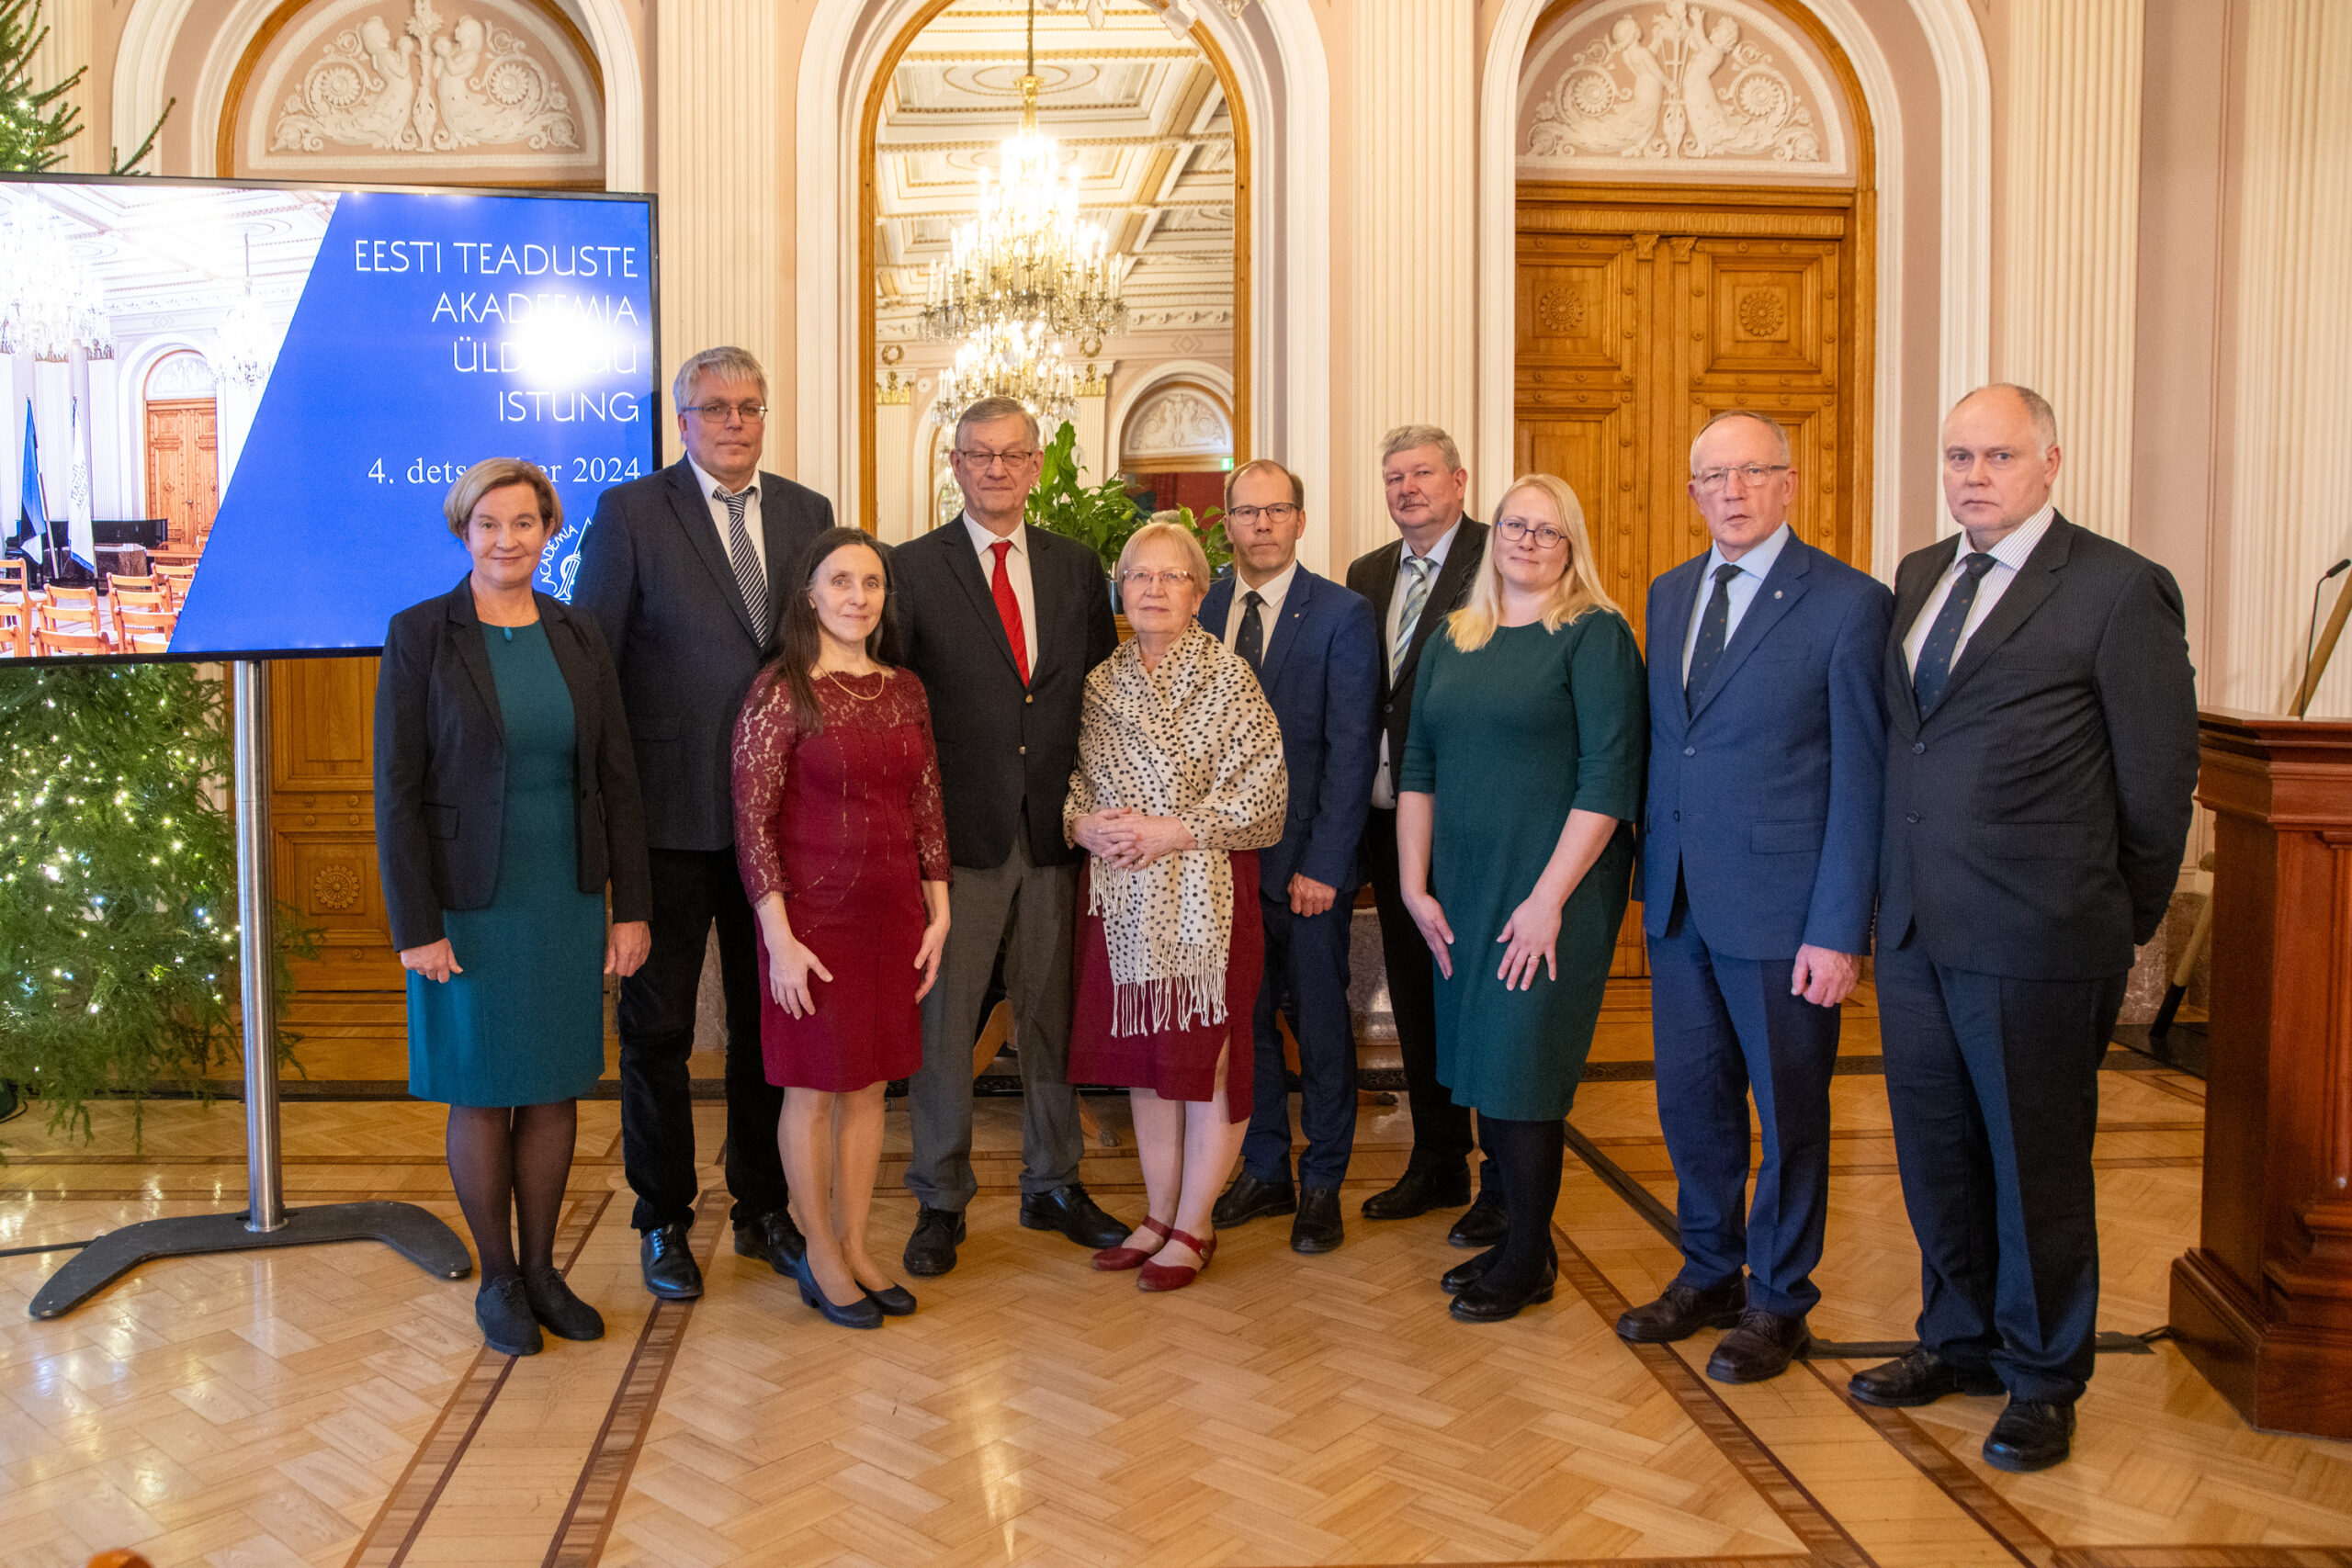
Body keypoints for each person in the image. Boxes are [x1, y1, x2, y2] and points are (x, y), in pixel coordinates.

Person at [1854, 384, 2198, 1471]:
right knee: (1937, 1155)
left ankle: (2044, 1374)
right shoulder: (1918, 576)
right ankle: (1954, 1339)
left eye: (1997, 456)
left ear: (2052, 463)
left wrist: (2119, 916)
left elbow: (2157, 781)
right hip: (1913, 926)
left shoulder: (2114, 588)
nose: (1971, 475)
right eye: (1957, 455)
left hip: (2041, 935)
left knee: (2034, 1164)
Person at [1623, 411, 1893, 1382]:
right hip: (1682, 902)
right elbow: (1672, 745)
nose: (1730, 491)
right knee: (1692, 1105)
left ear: (1787, 482)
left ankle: (1780, 1299)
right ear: (1692, 491)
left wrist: (1838, 927)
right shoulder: (1667, 594)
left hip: (1788, 912)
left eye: (1750, 472)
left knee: (1788, 1116)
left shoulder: (1849, 603)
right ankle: (1708, 1271)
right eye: (1711, 476)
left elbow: (1863, 777)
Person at [572, 346, 834, 1302]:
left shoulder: (808, 515)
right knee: (658, 1034)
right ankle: (663, 1220)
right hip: (668, 821)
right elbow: (594, 668)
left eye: (750, 407)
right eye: (715, 408)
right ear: (681, 421)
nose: (734, 423)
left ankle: (763, 1209)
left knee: (774, 1029)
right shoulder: (633, 514)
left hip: (785, 826)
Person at [376, 458, 653, 1356]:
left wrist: (629, 907)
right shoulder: (420, 633)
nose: (508, 540)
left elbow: (617, 778)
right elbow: (397, 792)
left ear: (549, 532)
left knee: (551, 1086)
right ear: (465, 531)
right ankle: (496, 1277)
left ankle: (543, 1270)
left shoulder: (578, 634)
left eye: (525, 523)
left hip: (564, 896)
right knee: (481, 1090)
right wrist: (416, 925)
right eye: (490, 524)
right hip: (465, 908)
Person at [1396, 473, 1645, 1323]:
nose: (1528, 541)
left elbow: (1609, 781)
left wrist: (1548, 901)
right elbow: (1418, 766)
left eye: (1548, 530)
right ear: (1492, 532)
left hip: (1554, 891)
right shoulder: (1454, 636)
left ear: (1572, 545)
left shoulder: (1595, 635)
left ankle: (1531, 1257)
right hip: (1463, 885)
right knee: (1478, 1066)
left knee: (1521, 1070)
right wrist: (1411, 884)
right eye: (1514, 525)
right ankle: (1511, 1236)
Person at [892, 396, 1128, 1275]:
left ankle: (1054, 1183)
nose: (996, 468)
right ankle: (940, 1197)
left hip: (1058, 831)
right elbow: (901, 708)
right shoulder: (909, 570)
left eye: (1013, 454)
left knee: (1051, 1018)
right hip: (957, 843)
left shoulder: (1075, 566)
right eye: (979, 455)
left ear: (1036, 466)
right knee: (945, 1028)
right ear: (954, 465)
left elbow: (1099, 695)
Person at [732, 528, 952, 1330]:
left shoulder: (905, 689)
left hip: (893, 916)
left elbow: (927, 803)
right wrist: (779, 938)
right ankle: (819, 1251)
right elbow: (752, 825)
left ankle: (859, 1247)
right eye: (840, 581)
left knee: (869, 1088)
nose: (858, 596)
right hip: (810, 923)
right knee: (813, 1090)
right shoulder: (780, 690)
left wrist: (941, 908)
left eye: (871, 581)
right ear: (809, 595)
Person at [1068, 521, 1289, 1291]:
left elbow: (1265, 799)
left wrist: (1174, 831)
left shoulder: (1232, 678)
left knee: (1209, 1063)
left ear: (1200, 590)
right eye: (1139, 576)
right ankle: (1158, 1213)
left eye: (1172, 577)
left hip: (1210, 902)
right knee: (1147, 1063)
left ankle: (1197, 1222)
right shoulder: (1101, 683)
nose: (1154, 590)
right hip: (1122, 902)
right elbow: (1080, 786)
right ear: (1120, 590)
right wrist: (1083, 824)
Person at [1201, 460, 1382, 1253]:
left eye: (1277, 511)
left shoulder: (1343, 613)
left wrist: (1327, 863)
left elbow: (1351, 750)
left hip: (1306, 867)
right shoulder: (1200, 603)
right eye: (1247, 512)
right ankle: (1267, 1167)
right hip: (1222, 867)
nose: (1263, 524)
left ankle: (1324, 1180)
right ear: (1228, 523)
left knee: (1319, 1025)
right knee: (1246, 1023)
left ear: (1300, 521)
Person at [1345, 425, 1504, 1247]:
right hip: (1386, 816)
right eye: (1394, 476)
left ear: (1459, 480)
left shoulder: (1501, 556)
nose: (1407, 488)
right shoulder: (1368, 573)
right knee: (1414, 993)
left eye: (1422, 474)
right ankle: (1437, 1157)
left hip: (1471, 817)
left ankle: (1502, 1177)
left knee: (1479, 995)